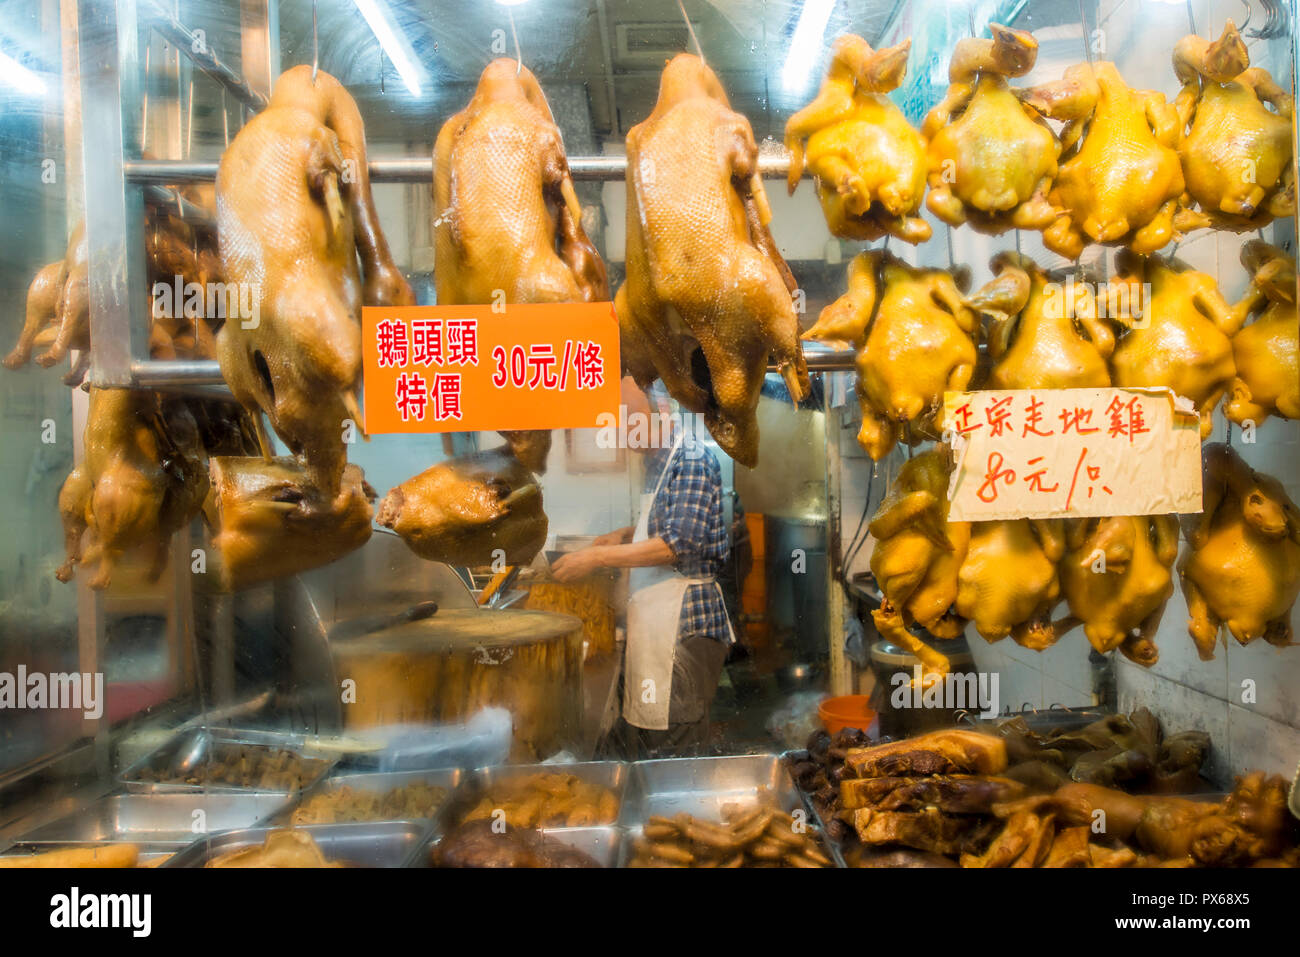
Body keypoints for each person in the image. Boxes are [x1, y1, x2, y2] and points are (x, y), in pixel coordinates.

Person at [553, 377, 733, 757]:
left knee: (676, 744)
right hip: (657, 621)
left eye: (628, 419)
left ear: (662, 412)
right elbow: (667, 523)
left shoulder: (692, 458)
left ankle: (679, 813)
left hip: (684, 623)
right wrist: (625, 533)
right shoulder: (659, 462)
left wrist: (596, 557)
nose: (623, 432)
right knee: (652, 739)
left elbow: (677, 543)